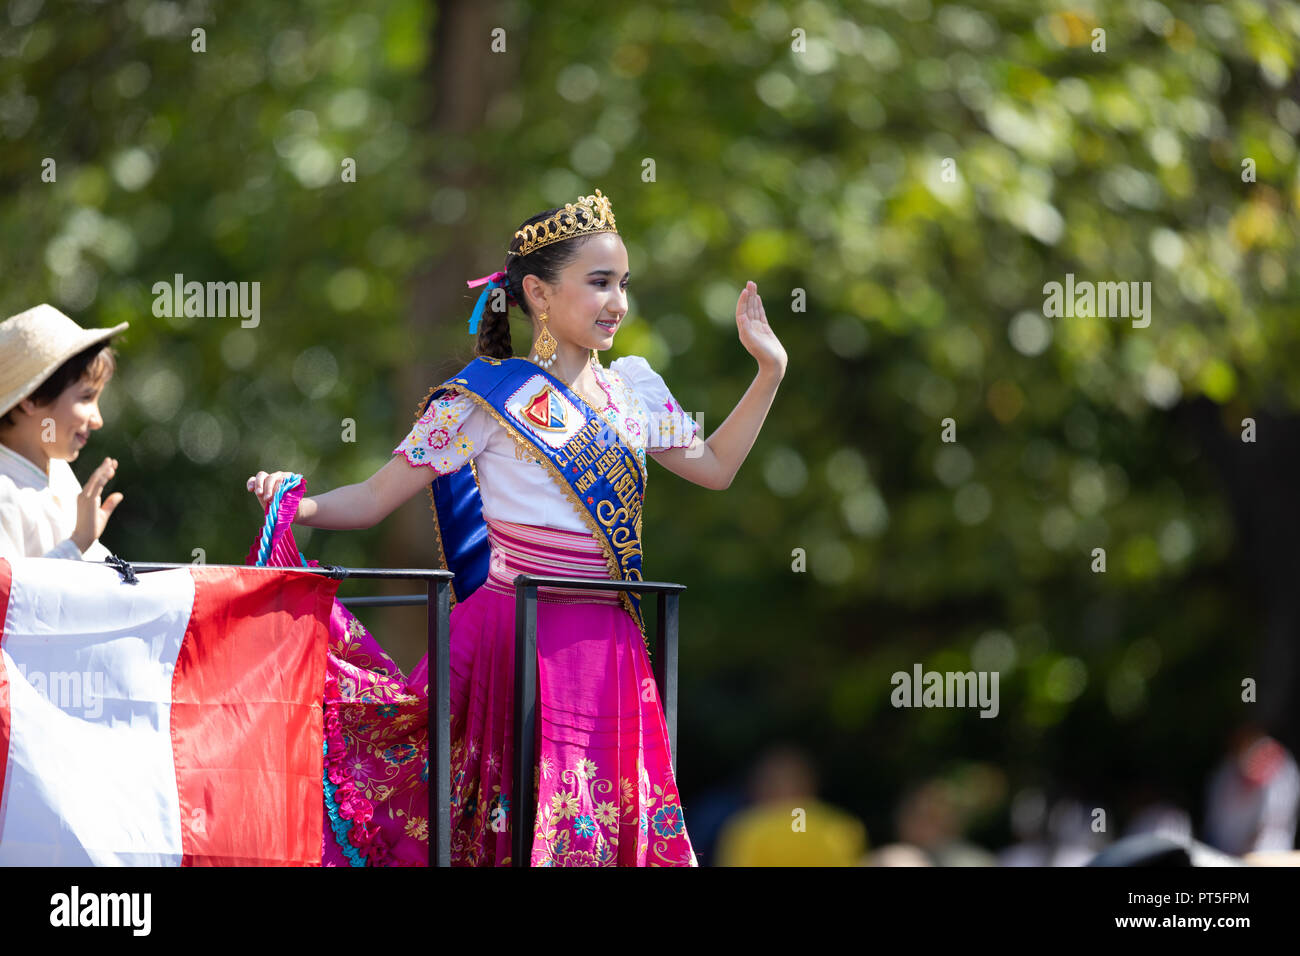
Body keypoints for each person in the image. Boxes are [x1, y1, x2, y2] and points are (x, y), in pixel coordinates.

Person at [248, 188, 787, 865]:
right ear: (537, 291)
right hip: (513, 638)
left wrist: (770, 369)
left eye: (623, 283)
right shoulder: (485, 398)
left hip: (607, 643)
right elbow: (374, 497)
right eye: (598, 283)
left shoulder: (635, 392)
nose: (617, 301)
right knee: (501, 829)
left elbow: (715, 466)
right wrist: (299, 504)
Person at [0, 304, 127, 561]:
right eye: (86, 397)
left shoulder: (57, 472)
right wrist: (78, 543)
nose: (97, 420)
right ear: (32, 399)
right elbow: (10, 596)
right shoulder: (4, 491)